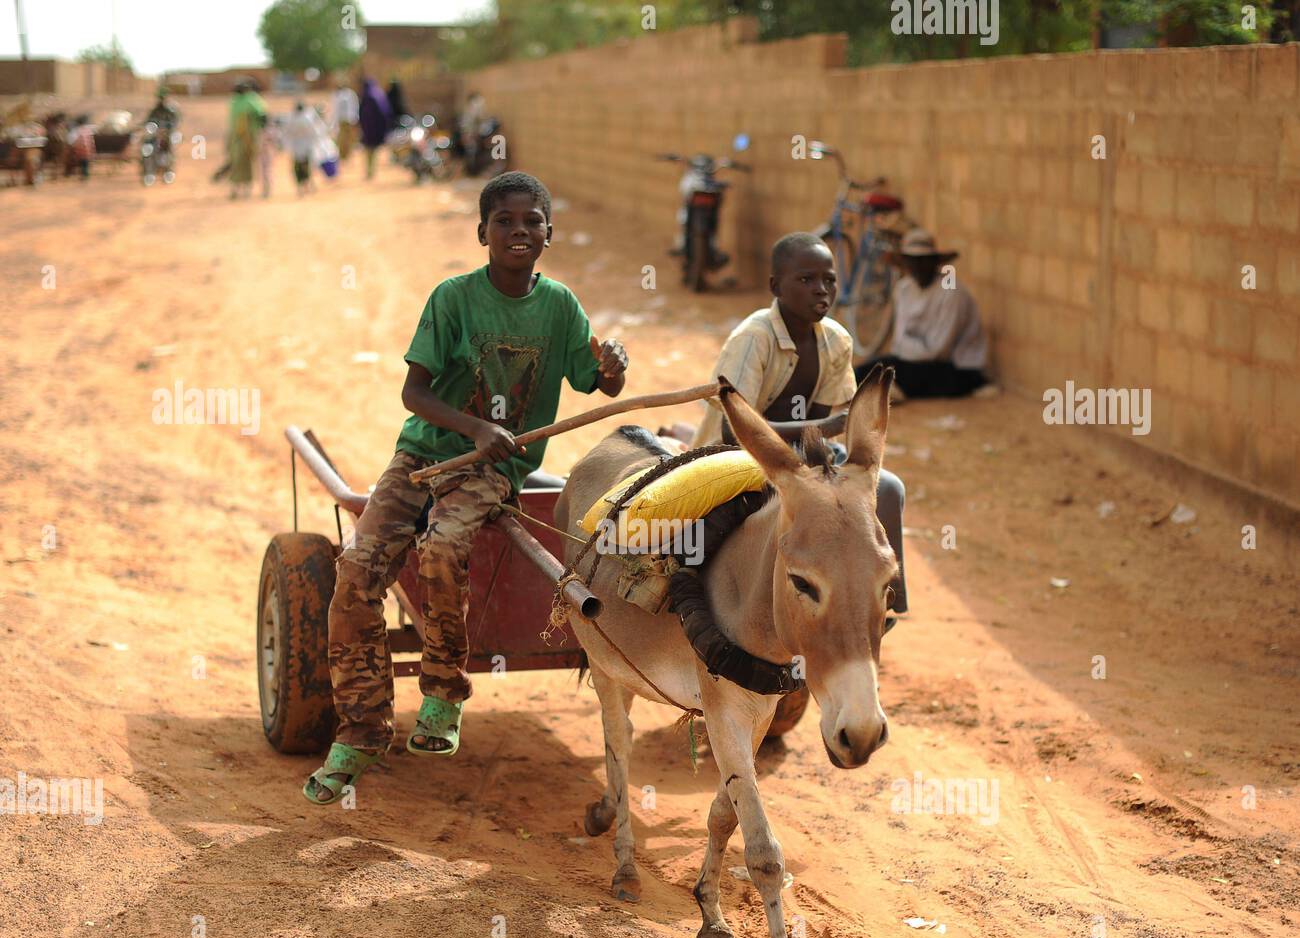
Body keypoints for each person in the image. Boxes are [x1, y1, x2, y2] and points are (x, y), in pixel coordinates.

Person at [304, 171, 630, 805]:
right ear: (482, 232)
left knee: (444, 546)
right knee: (355, 573)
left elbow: (600, 382)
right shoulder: (452, 298)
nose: (518, 232)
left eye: (531, 222)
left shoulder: (561, 307)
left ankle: (443, 693)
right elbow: (414, 393)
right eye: (504, 222)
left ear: (548, 234)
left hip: (491, 471)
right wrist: (475, 426)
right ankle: (362, 731)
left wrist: (614, 366)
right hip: (421, 456)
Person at [693, 231, 909, 615]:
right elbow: (732, 431)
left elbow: (816, 429)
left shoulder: (837, 341)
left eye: (829, 279)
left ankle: (885, 602)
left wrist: (823, 439)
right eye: (806, 280)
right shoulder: (753, 338)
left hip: (799, 457)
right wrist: (826, 427)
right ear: (776, 286)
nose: (821, 290)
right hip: (736, 456)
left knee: (888, 487)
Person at [861, 227, 992, 399]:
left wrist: (908, 351)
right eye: (912, 260)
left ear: (934, 262)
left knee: (896, 375)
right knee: (869, 370)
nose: (918, 266)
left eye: (923, 260)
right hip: (912, 360)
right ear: (905, 263)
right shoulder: (904, 289)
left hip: (955, 368)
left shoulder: (951, 292)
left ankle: (891, 392)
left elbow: (939, 351)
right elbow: (899, 342)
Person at [226, 80, 266, 199]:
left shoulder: (233, 101)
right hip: (247, 136)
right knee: (247, 162)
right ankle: (245, 190)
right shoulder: (252, 99)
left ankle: (236, 190)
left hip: (235, 136)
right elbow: (262, 115)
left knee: (236, 162)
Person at [284, 101, 327, 195]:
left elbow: (287, 133)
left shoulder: (291, 118)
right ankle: (309, 185)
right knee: (307, 166)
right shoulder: (307, 118)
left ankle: (301, 187)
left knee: (298, 167)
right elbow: (314, 132)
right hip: (306, 146)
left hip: (296, 147)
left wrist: (287, 145)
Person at [357, 76, 391, 180]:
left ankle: (370, 171)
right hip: (376, 128)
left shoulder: (367, 97)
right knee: (372, 150)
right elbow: (385, 112)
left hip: (368, 129)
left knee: (369, 150)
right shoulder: (378, 95)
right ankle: (371, 170)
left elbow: (361, 113)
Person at [331, 79, 359, 161]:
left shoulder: (350, 94)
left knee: (348, 138)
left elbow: (354, 106)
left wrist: (354, 119)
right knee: (341, 138)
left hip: (348, 120)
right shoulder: (338, 95)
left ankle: (347, 154)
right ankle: (342, 154)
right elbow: (335, 109)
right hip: (342, 120)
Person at [69, 115, 95, 180]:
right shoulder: (88, 130)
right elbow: (91, 141)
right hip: (87, 150)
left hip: (80, 150)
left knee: (83, 163)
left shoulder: (77, 130)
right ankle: (85, 175)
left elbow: (73, 141)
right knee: (85, 163)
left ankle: (84, 175)